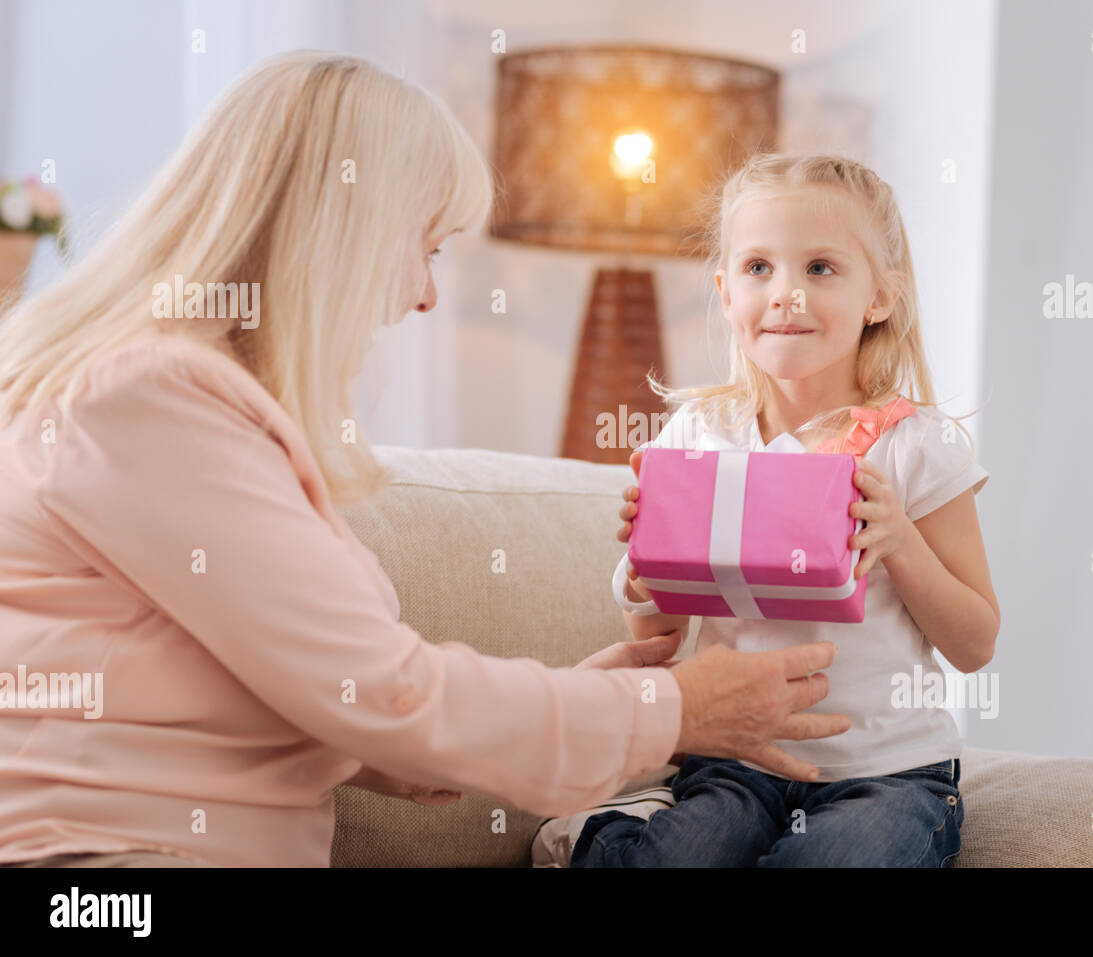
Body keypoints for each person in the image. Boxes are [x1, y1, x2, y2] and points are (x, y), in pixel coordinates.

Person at [0, 52, 850, 869]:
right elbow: (391, 697)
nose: (425, 293)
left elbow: (361, 713)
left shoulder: (184, 401)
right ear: (340, 233)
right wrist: (673, 709)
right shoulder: (146, 399)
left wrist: (586, 699)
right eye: (428, 245)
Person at [533, 152, 999, 867]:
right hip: (734, 764)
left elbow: (974, 643)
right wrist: (645, 565)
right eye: (758, 268)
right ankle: (601, 834)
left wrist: (900, 541)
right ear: (725, 292)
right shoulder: (699, 435)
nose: (786, 294)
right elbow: (657, 633)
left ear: (881, 296)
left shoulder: (915, 445)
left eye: (820, 268)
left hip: (885, 776)